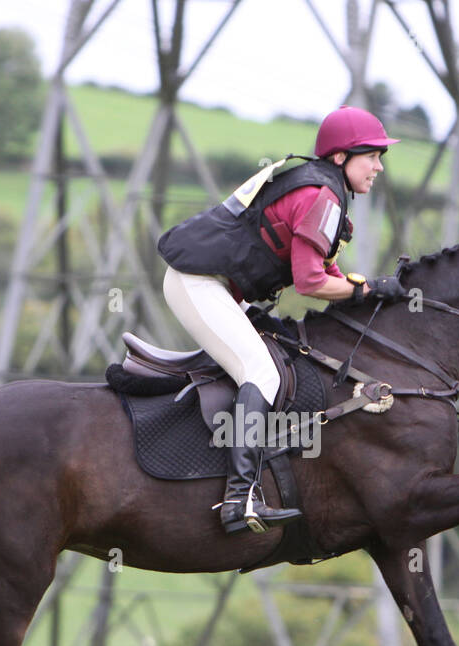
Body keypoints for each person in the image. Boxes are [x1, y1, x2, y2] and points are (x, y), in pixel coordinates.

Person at [157, 105, 407, 535]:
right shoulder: (322, 195)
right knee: (262, 372)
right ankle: (239, 498)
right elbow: (310, 283)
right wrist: (364, 290)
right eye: (373, 156)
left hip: (214, 285)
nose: (379, 167)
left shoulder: (323, 190)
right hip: (198, 283)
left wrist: (361, 287)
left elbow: (321, 272)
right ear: (342, 157)